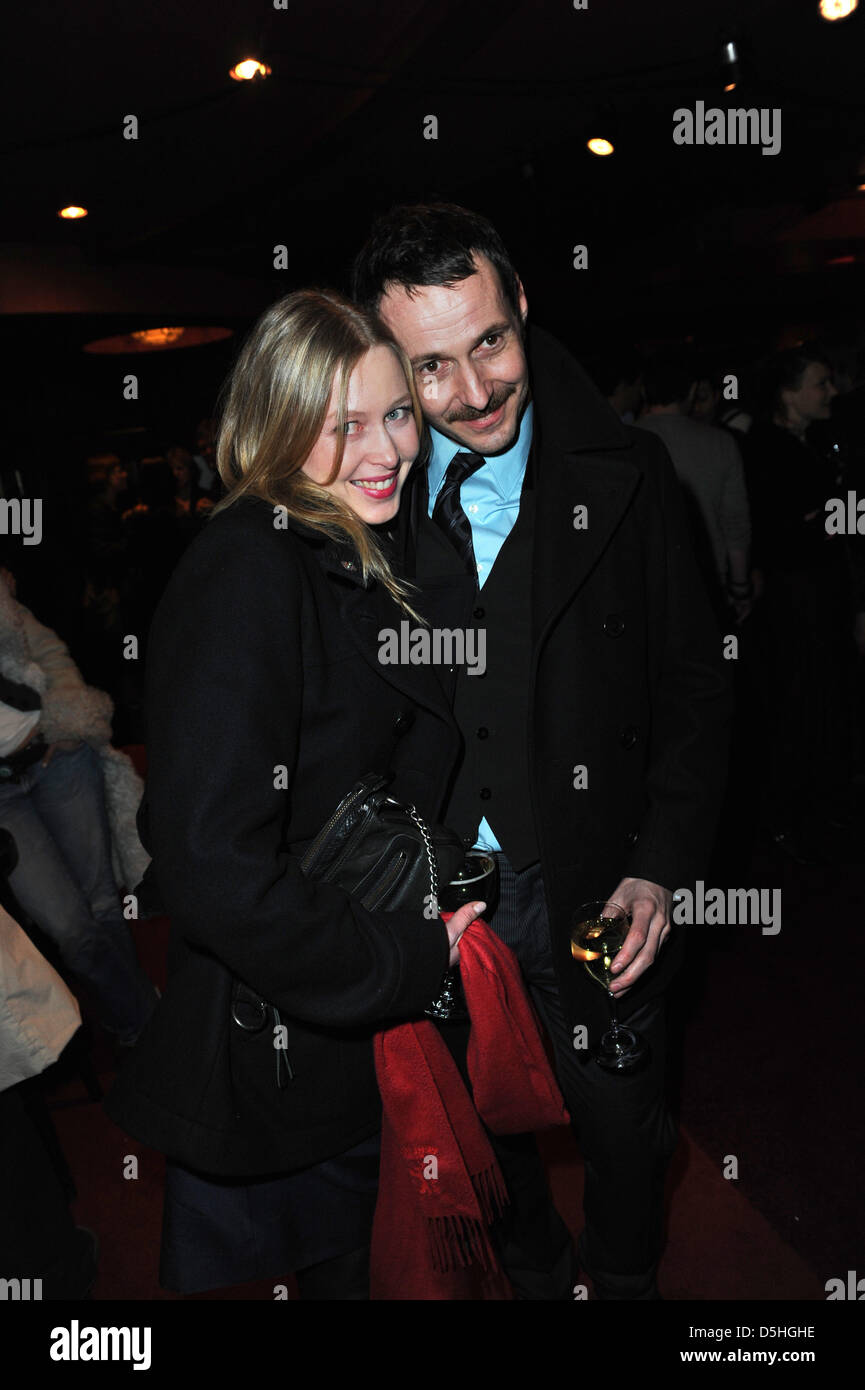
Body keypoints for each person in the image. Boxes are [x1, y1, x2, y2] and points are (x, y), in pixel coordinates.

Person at [352, 203, 733, 1300]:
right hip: (431, 903)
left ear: (523, 304)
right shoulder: (359, 506)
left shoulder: (632, 476)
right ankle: (532, 1268)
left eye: (489, 342)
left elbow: (697, 688)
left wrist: (659, 863)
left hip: (588, 882)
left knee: (625, 1127)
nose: (473, 392)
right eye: (430, 368)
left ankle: (619, 1280)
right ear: (386, 367)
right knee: (472, 1128)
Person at [103, 290, 484, 1299]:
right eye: (343, 424)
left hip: (343, 1035)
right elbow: (207, 859)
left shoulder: (356, 544)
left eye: (397, 413)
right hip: (286, 1035)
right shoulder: (249, 566)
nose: (386, 447)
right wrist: (404, 958)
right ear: (275, 426)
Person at [0, 560, 156, 1048]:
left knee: (104, 904)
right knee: (70, 929)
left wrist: (66, 719)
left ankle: (139, 1029)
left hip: (57, 758)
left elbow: (49, 651)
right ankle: (152, 1020)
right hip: (3, 798)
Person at [742, 347, 861, 859]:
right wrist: (824, 522)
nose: (830, 393)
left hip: (821, 590)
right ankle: (782, 811)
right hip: (795, 596)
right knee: (796, 697)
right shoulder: (765, 447)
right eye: (819, 383)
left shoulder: (812, 441)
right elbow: (777, 533)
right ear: (789, 393)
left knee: (823, 694)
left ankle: (816, 801)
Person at [636, 351, 753, 626]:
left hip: (641, 588)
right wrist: (740, 587)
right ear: (691, 392)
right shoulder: (720, 443)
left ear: (643, 391)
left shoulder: (623, 439)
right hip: (705, 586)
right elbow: (735, 525)